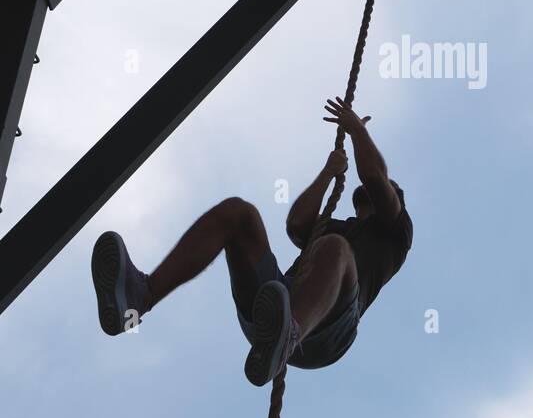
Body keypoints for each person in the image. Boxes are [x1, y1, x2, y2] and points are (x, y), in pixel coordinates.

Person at [90, 96, 413, 384]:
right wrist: (328, 173)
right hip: (272, 311)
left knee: (334, 248)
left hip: (327, 332)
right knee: (238, 213)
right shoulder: (336, 229)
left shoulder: (396, 232)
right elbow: (298, 224)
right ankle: (139, 298)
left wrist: (357, 130)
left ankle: (288, 333)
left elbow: (373, 176)